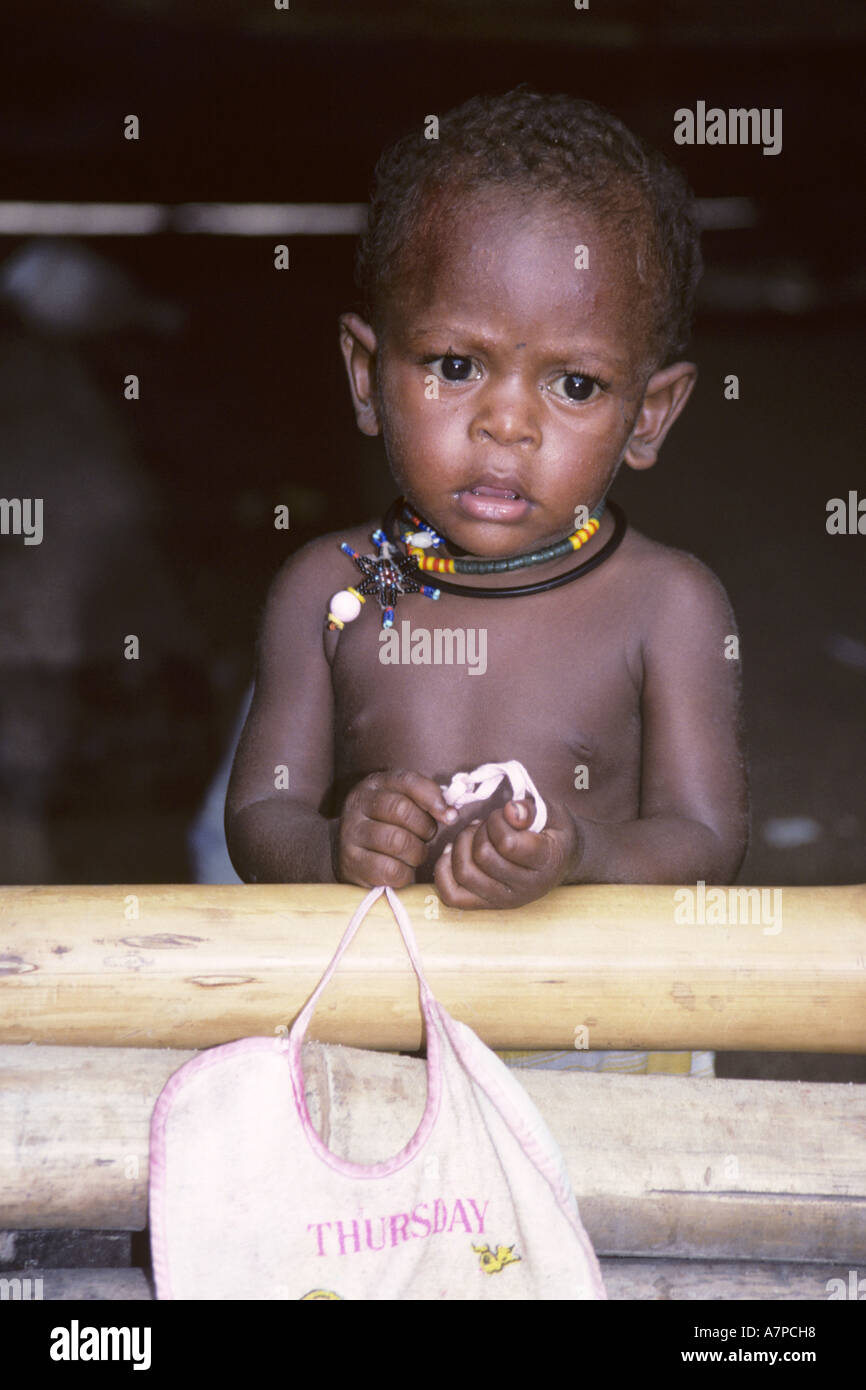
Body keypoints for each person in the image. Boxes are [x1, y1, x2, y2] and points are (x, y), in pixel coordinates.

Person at [225, 88, 748, 944]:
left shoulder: (667, 604)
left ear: (649, 416)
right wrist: (334, 845)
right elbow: (258, 811)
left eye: (574, 384)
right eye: (457, 365)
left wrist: (580, 855)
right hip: (384, 1029)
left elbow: (706, 842)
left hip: (601, 1037)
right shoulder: (337, 589)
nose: (507, 425)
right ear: (366, 374)